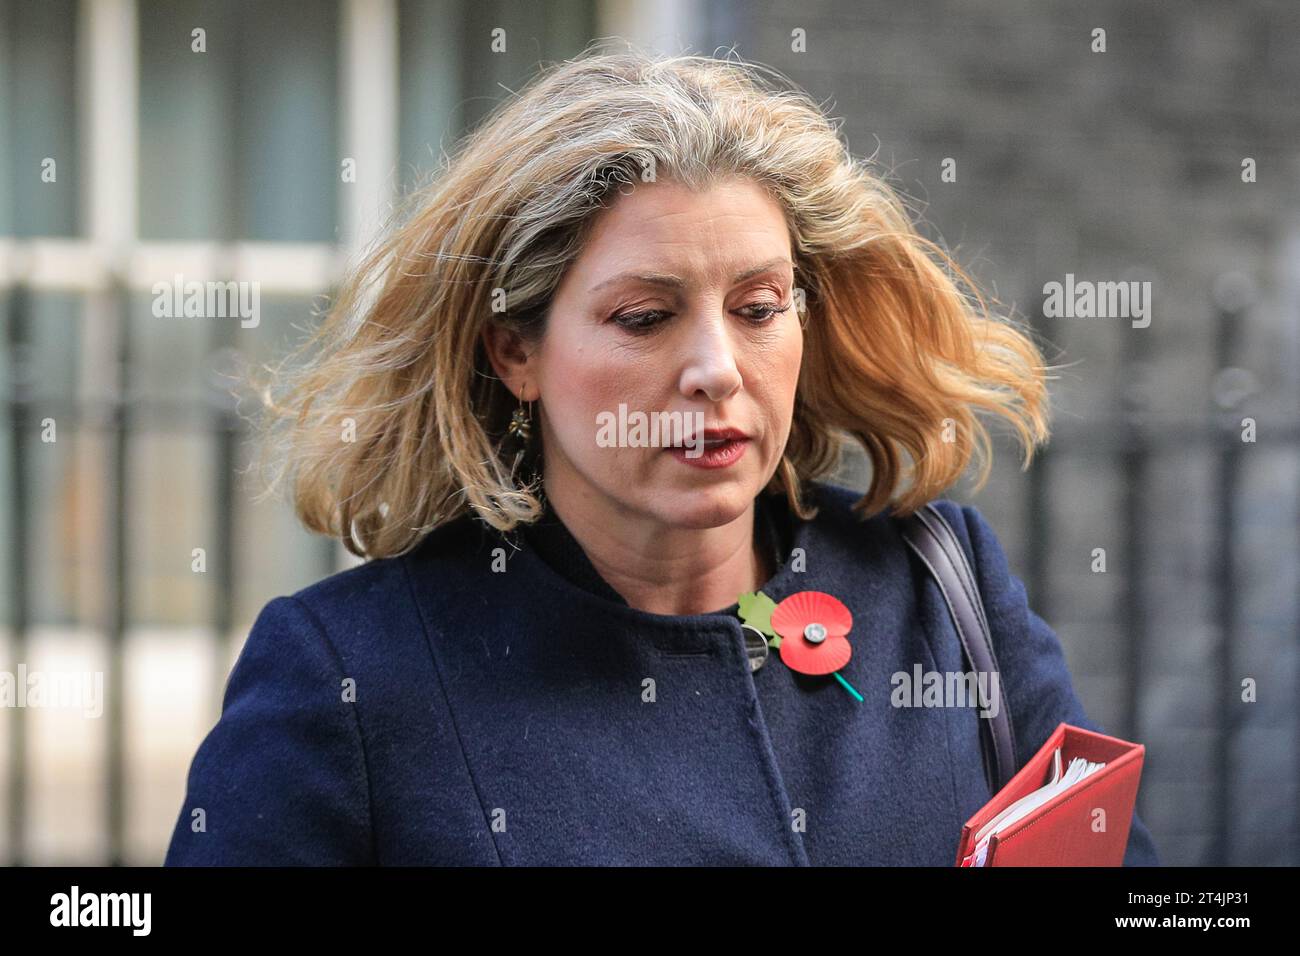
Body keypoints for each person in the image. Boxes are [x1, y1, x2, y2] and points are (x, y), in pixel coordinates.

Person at [164, 46, 1160, 866]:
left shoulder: (943, 587)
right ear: (515, 350)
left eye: (760, 308)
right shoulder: (350, 673)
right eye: (645, 317)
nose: (716, 370)